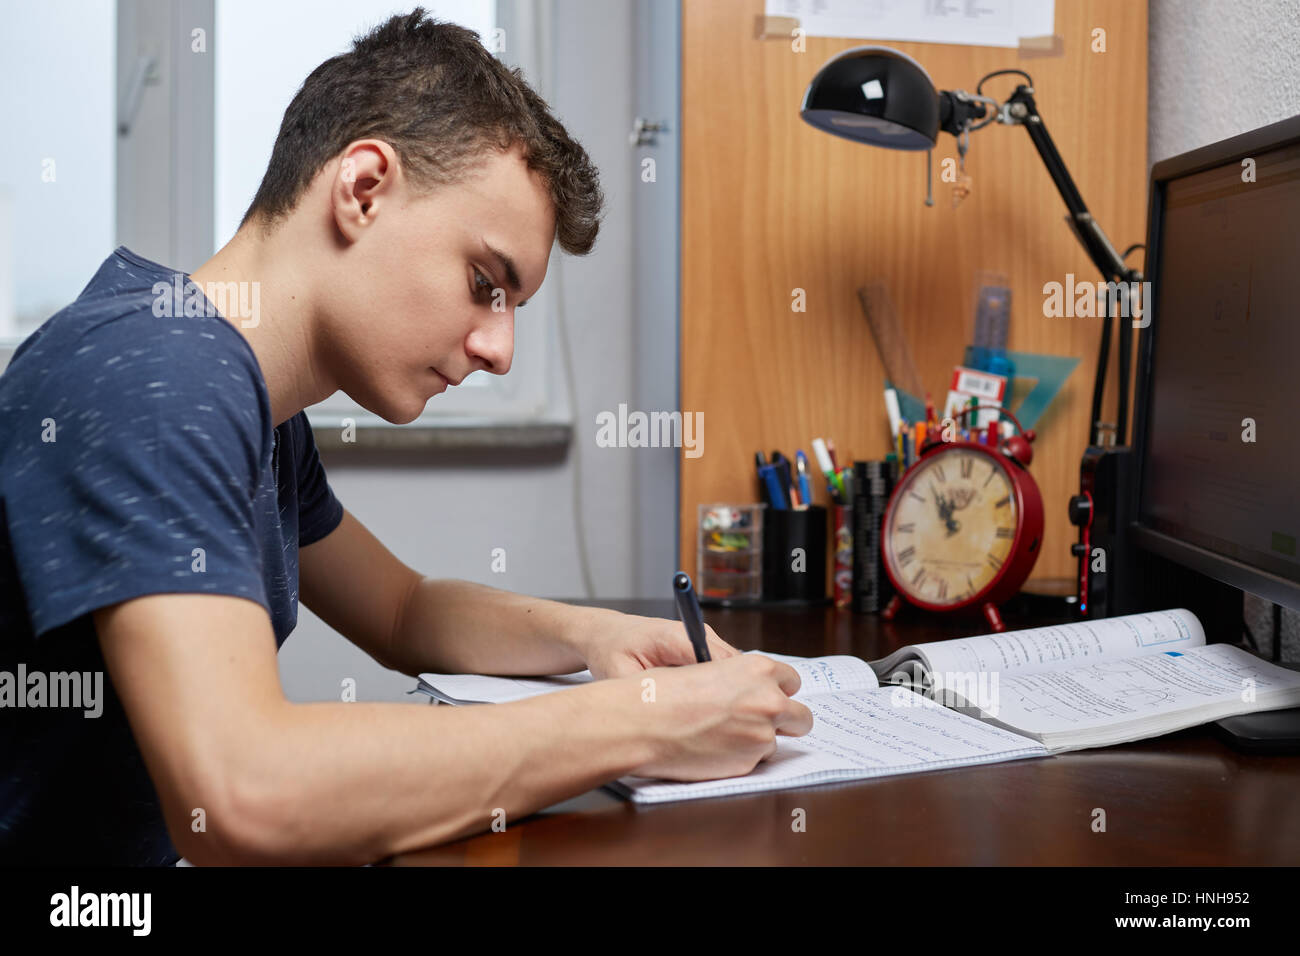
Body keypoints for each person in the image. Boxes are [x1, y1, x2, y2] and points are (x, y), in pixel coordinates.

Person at [0, 9, 812, 865]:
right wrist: (640, 724)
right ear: (362, 190)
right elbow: (245, 790)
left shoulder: (249, 401)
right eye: (483, 282)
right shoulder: (158, 373)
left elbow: (402, 610)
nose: (499, 351)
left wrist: (595, 636)